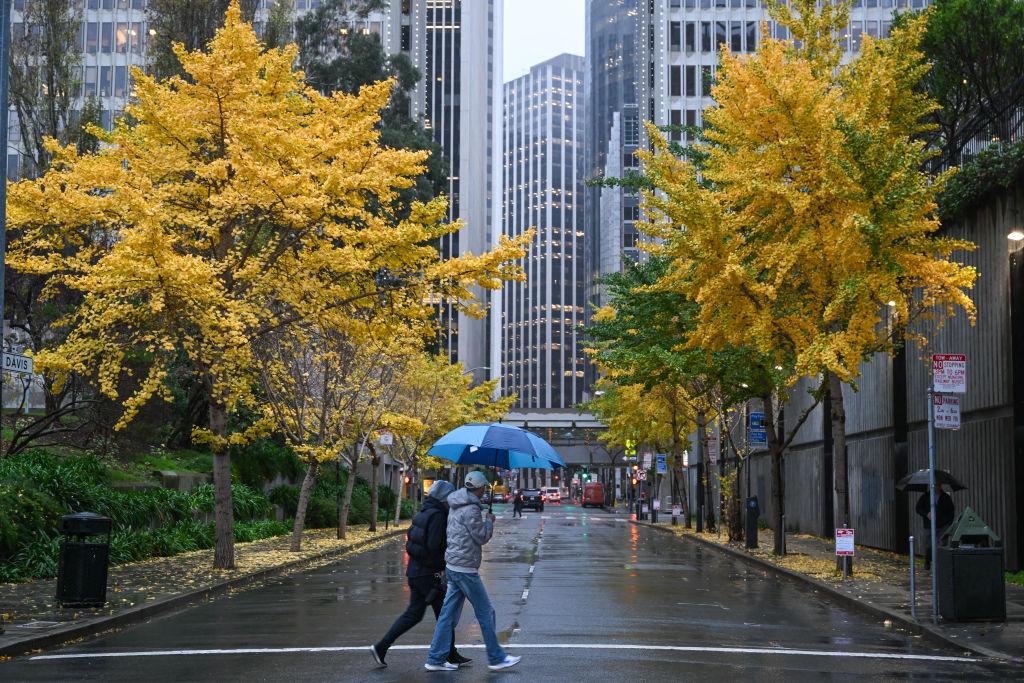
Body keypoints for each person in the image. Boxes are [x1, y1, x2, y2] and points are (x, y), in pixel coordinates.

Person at [424, 471, 521, 672]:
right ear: (479, 488)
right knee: (486, 612)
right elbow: (481, 537)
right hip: (465, 569)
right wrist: (489, 522)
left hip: (452, 566)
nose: (485, 490)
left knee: (447, 615)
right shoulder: (471, 510)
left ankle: (435, 658)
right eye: (484, 487)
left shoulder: (455, 505)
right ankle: (496, 657)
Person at [371, 480, 471, 668]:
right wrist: (442, 566)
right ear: (444, 498)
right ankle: (448, 655)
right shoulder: (439, 515)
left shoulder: (424, 512)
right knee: (446, 614)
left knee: (415, 614)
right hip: (429, 574)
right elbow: (434, 546)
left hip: (416, 572)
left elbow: (415, 542)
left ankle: (381, 647)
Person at [915, 483, 955, 570]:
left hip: (943, 525)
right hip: (929, 525)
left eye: (938, 485)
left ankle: (940, 563)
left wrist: (949, 523)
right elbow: (918, 508)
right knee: (928, 545)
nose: (936, 487)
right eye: (934, 485)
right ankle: (927, 560)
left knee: (942, 544)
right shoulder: (925, 496)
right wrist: (926, 514)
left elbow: (951, 510)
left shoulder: (945, 497)